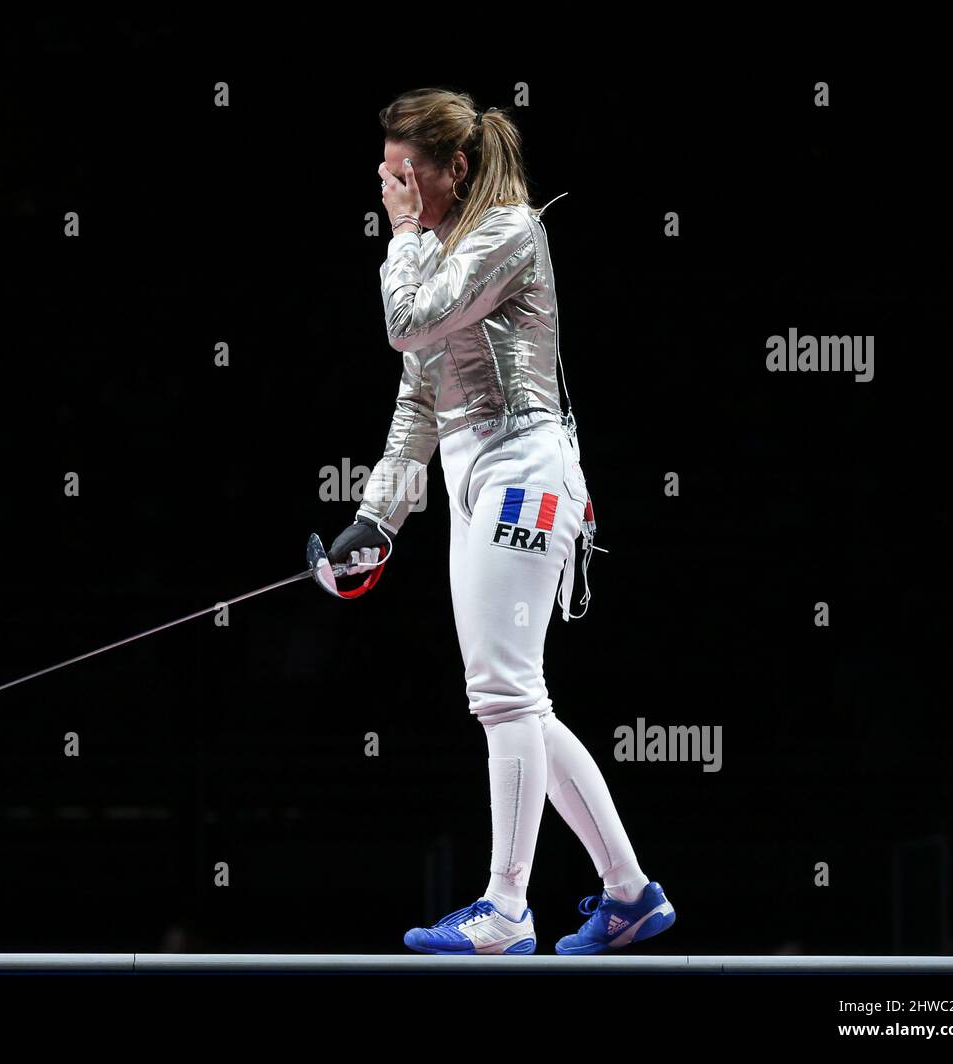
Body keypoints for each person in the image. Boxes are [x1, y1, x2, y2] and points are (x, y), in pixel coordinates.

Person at [327, 88, 676, 954]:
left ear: (453, 169)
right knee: (516, 700)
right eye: (385, 173)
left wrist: (403, 236)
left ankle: (507, 910)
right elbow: (417, 400)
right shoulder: (441, 250)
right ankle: (630, 894)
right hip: (468, 476)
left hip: (525, 470)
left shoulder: (507, 232)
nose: (388, 188)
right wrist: (376, 519)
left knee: (506, 695)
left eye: (402, 174)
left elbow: (406, 324)